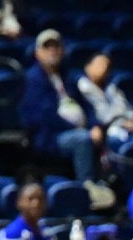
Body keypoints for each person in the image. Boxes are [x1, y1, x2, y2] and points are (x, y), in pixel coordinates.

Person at [18, 30, 101, 181]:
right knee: (82, 139)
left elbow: (87, 106)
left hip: (76, 129)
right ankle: (88, 186)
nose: (52, 51)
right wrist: (77, 128)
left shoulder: (67, 76)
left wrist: (95, 125)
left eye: (56, 47)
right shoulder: (34, 79)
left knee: (105, 136)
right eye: (47, 47)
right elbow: (45, 116)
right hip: (51, 136)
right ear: (38, 53)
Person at [75, 53, 133, 136]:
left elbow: (127, 108)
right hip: (103, 131)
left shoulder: (112, 88)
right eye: (100, 64)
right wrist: (121, 123)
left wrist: (132, 120)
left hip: (126, 128)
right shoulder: (82, 88)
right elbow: (100, 116)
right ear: (88, 67)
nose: (104, 68)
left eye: (107, 66)